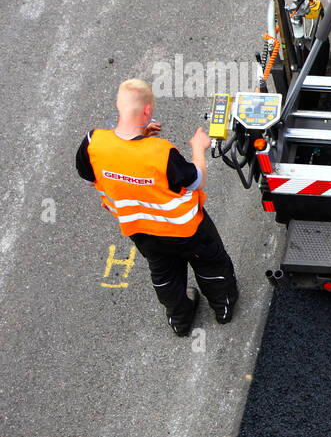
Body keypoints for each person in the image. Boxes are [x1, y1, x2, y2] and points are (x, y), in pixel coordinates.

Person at [76, 79, 238, 334]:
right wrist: (198, 147)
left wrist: (135, 145)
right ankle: (223, 308)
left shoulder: (92, 144)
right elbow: (197, 179)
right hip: (187, 231)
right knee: (210, 265)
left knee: (165, 277)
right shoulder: (161, 153)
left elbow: (90, 179)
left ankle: (180, 322)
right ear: (148, 111)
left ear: (119, 104)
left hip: (142, 232)